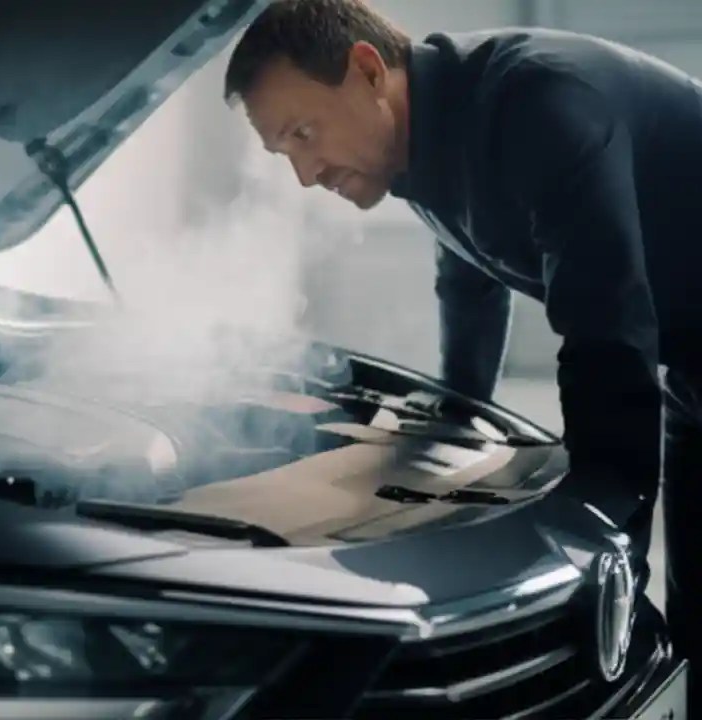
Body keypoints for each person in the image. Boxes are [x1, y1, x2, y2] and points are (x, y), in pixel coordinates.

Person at [223, 0, 701, 698]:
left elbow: (608, 327)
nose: (304, 175)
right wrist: (454, 424)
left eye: (304, 132)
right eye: (283, 151)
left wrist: (596, 545)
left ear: (367, 71)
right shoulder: (425, 141)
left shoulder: (535, 102)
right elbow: (471, 281)